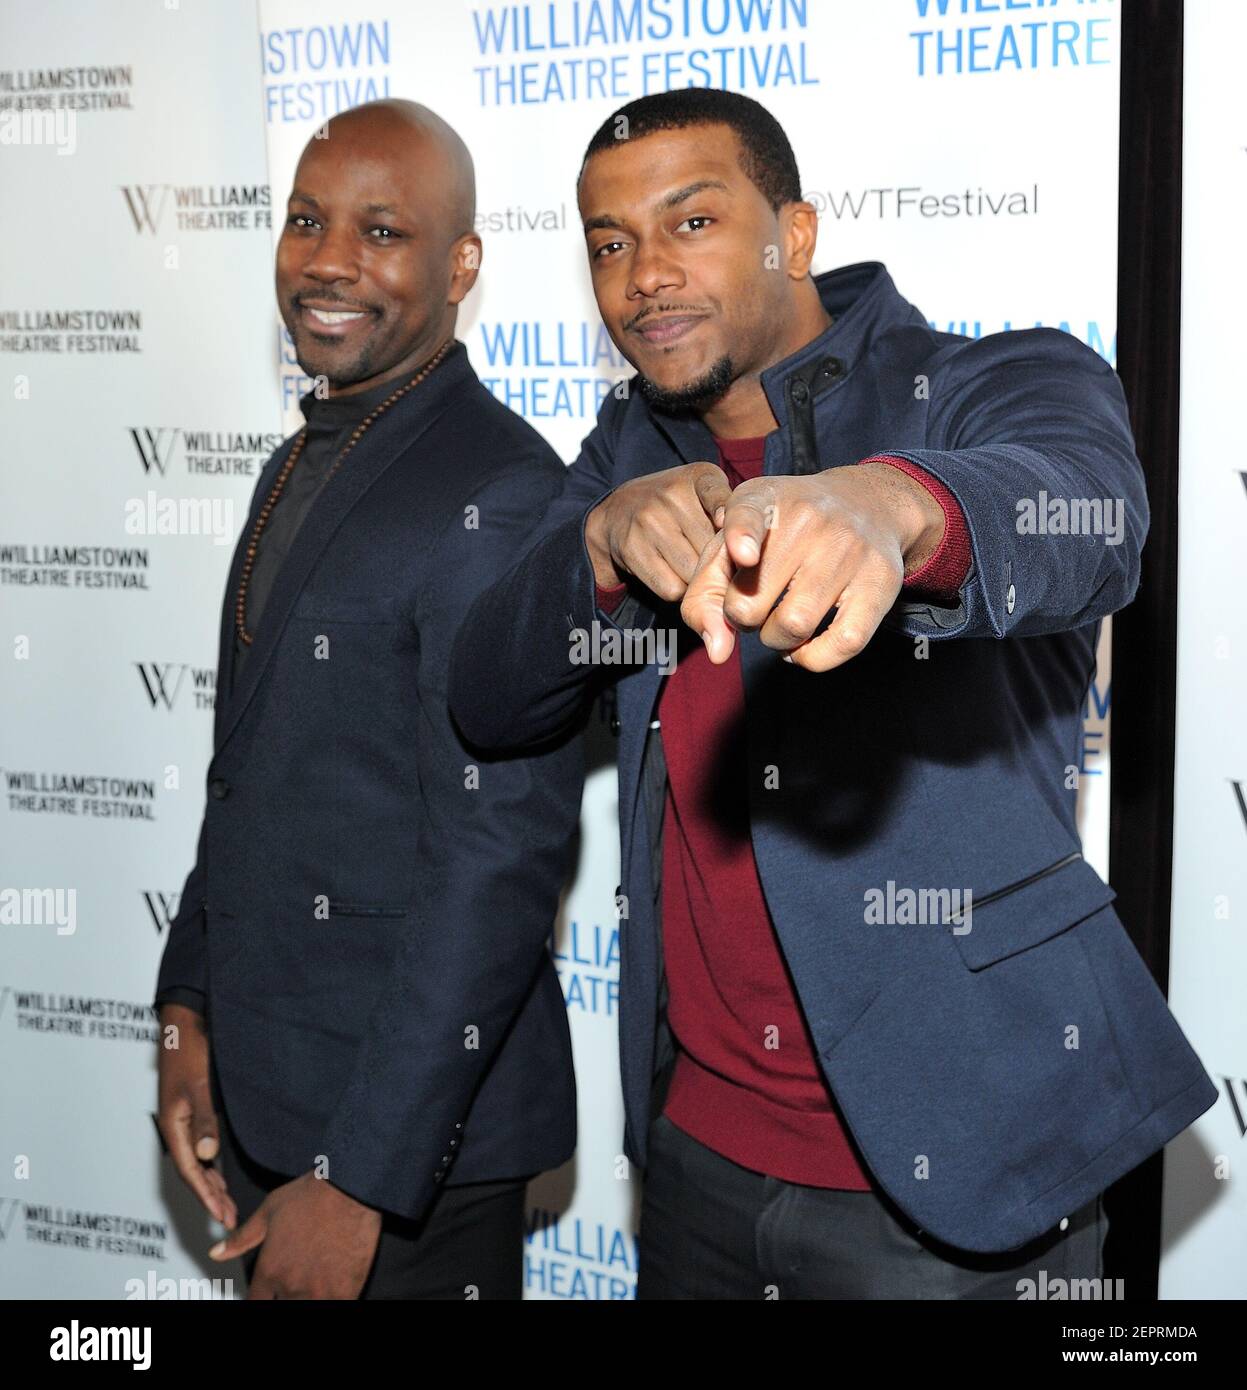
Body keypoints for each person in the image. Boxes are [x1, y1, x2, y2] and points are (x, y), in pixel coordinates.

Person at [448, 87, 1218, 1299]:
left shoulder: (988, 378)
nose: (643, 274)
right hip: (694, 1157)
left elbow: (1089, 516)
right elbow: (490, 695)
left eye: (689, 222)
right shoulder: (628, 450)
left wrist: (895, 506)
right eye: (608, 243)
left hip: (952, 1189)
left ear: (791, 236)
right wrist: (595, 540)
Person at [153, 99, 582, 1300]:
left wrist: (360, 1179)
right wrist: (188, 1005)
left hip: (405, 1155)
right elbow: (244, 776)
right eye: (305, 221)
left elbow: (498, 858)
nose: (328, 260)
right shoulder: (297, 458)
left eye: (382, 230)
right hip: (269, 1099)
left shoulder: (497, 491)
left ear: (461, 267)